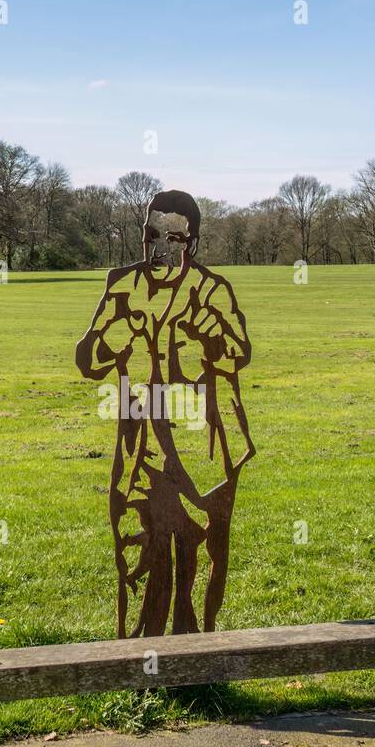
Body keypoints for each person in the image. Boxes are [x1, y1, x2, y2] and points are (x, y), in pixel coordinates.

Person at [76, 190, 252, 637]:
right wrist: (108, 340)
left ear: (191, 242)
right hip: (141, 444)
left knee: (196, 553)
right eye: (152, 235)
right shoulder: (122, 285)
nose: (161, 247)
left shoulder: (211, 289)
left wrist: (211, 339)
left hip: (201, 443)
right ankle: (138, 659)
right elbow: (87, 358)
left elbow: (238, 352)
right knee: (138, 545)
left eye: (174, 238)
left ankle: (194, 658)